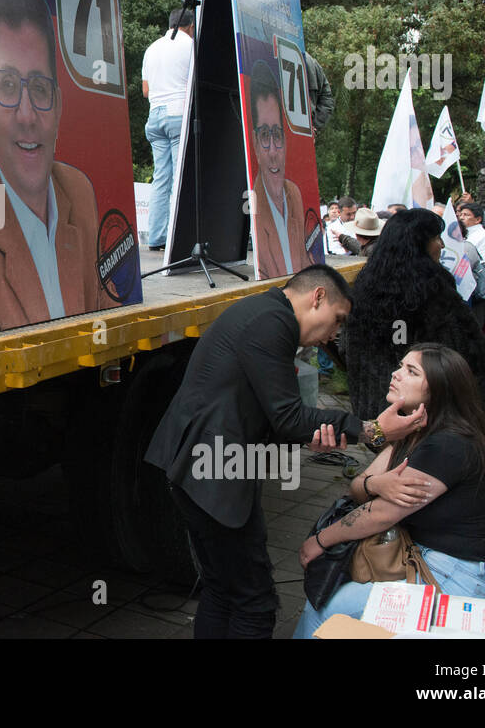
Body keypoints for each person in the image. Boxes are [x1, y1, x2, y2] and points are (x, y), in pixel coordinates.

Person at [144, 265, 429, 638]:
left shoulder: (263, 313)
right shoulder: (272, 322)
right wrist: (371, 429)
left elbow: (272, 418)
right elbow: (289, 415)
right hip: (211, 478)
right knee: (255, 604)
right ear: (318, 297)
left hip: (205, 468)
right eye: (337, 320)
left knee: (222, 589)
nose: (334, 334)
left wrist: (309, 434)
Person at [293, 343, 485, 637]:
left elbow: (381, 513)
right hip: (426, 559)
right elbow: (357, 488)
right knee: (330, 602)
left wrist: (320, 540)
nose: (396, 374)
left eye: (411, 371)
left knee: (328, 607)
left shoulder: (449, 444)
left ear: (439, 389)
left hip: (460, 576)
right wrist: (375, 484)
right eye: (401, 365)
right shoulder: (417, 432)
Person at [0, 0, 110, 333]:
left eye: (40, 88)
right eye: (8, 85)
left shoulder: (80, 192)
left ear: (58, 104)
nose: (27, 116)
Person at [343, 208, 485, 436]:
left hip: (376, 415)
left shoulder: (366, 288)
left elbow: (348, 347)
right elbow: (465, 355)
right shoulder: (435, 293)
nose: (442, 246)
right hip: (428, 420)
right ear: (418, 243)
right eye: (436, 238)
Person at [249, 60, 314, 277]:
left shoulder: (293, 194)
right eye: (266, 135)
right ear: (255, 142)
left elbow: (305, 263)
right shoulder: (253, 208)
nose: (274, 150)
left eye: (277, 134)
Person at [141, 8, 194, 251]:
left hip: (155, 115)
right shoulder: (190, 46)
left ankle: (157, 237)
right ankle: (177, 238)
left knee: (161, 178)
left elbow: (145, 91)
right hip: (177, 113)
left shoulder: (152, 49)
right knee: (180, 177)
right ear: (191, 26)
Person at [457, 201, 485, 265]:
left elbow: (484, 264)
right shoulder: (458, 234)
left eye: (466, 215)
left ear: (478, 219)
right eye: (460, 215)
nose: (461, 218)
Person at [305, 51, 334, 138]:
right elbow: (327, 99)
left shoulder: (311, 63)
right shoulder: (312, 62)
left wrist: (315, 125)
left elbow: (327, 99)